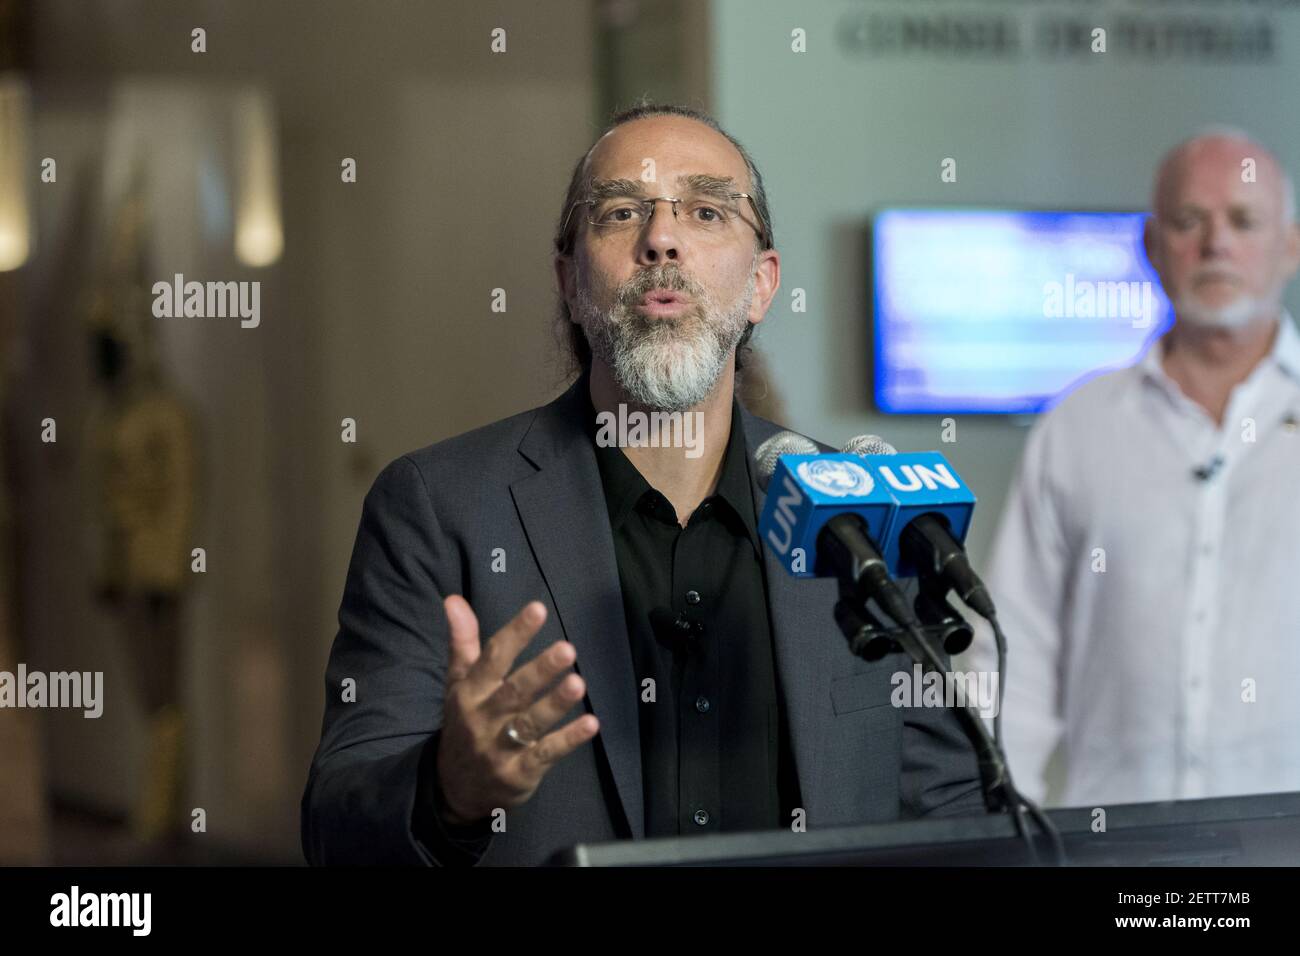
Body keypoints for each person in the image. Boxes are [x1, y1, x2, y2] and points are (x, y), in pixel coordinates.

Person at [302, 104, 986, 866]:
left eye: (706, 210)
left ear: (762, 286)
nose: (660, 239)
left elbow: (952, 818)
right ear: (569, 281)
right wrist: (450, 788)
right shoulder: (438, 507)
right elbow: (338, 829)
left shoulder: (857, 517)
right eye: (621, 211)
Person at [966, 128, 1300, 806]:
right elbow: (1012, 656)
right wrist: (1003, 833)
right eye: (1189, 221)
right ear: (1151, 245)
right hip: (1115, 854)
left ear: (1291, 245)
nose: (1216, 244)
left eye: (1243, 220)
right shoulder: (1078, 427)